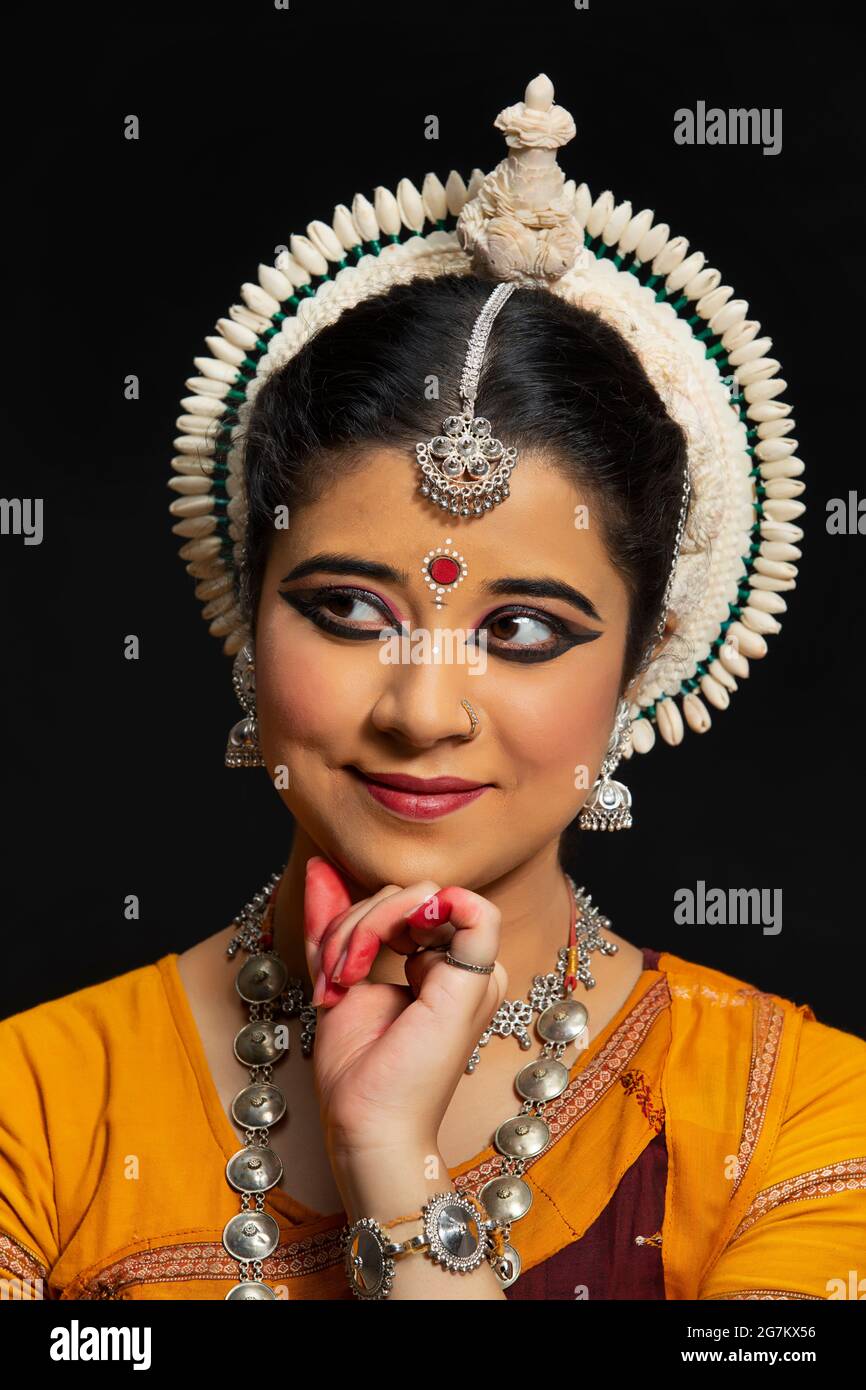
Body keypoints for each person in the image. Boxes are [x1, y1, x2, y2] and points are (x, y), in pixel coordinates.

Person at [1, 73, 864, 1302]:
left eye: (521, 629)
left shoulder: (794, 1117)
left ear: (642, 662)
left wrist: (394, 1172)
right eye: (349, 611)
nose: (418, 710)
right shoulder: (37, 1106)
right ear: (247, 617)